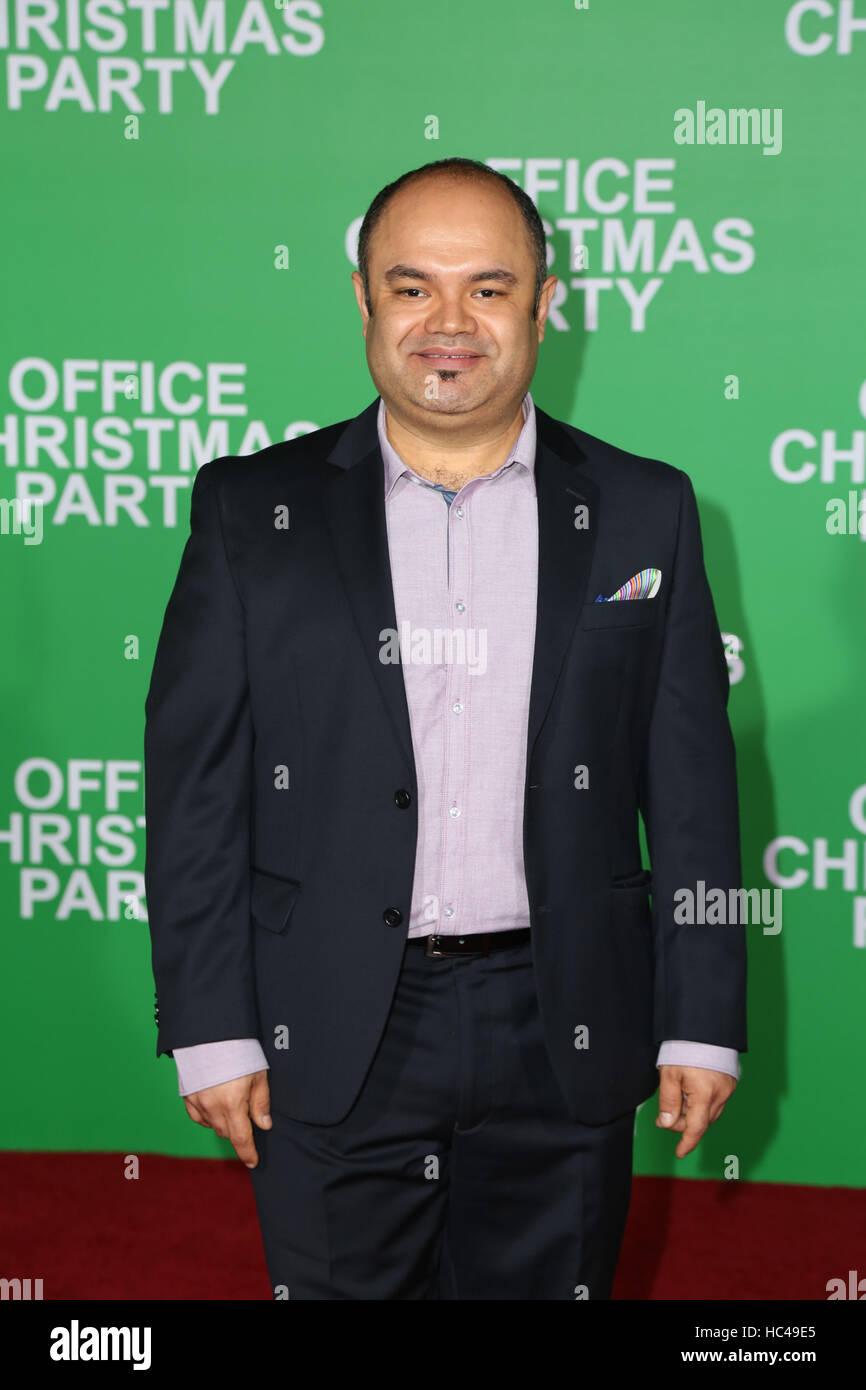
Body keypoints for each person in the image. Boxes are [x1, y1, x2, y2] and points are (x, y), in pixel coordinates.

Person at [144, 156, 747, 1300]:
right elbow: (194, 790)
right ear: (362, 300)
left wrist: (700, 1020)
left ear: (543, 302)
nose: (449, 323)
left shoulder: (642, 508)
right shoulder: (249, 511)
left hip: (563, 1017)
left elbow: (689, 788)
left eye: (488, 287)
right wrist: (210, 1026)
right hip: (324, 1025)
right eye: (412, 286)